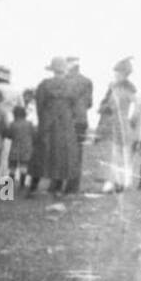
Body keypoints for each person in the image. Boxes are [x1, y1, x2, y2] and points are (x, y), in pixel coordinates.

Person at [34, 56, 83, 196]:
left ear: (53, 70)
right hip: (66, 122)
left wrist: (43, 119)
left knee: (50, 152)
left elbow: (39, 104)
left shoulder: (44, 85)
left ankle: (10, 192)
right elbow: (76, 107)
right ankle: (59, 185)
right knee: (64, 153)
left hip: (49, 121)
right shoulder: (72, 86)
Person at [95, 57, 137, 193]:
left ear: (125, 75)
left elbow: (134, 106)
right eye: (116, 73)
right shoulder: (113, 88)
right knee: (115, 154)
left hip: (121, 124)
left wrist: (131, 120)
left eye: (118, 73)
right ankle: (115, 182)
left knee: (120, 154)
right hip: (113, 124)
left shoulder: (127, 90)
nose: (116, 76)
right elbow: (106, 105)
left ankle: (120, 182)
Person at [63, 57, 93, 193]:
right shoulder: (87, 82)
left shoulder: (65, 81)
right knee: (78, 153)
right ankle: (73, 186)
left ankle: (59, 184)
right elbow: (89, 103)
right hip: (81, 120)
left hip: (67, 120)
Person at [6, 105, 34, 188]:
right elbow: (34, 134)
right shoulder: (29, 124)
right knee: (24, 167)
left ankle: (8, 188)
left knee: (12, 168)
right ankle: (22, 185)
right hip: (26, 147)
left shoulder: (13, 124)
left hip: (15, 147)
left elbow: (9, 135)